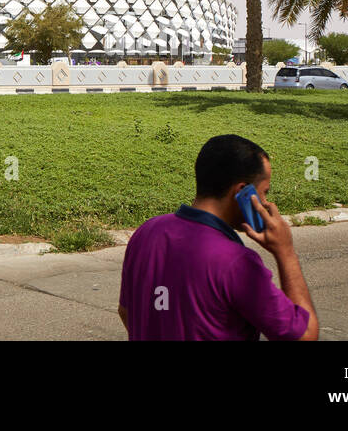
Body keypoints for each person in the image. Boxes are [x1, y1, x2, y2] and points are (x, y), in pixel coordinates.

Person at [118, 133, 318, 340]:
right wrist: (285, 252)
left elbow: (126, 312)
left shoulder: (147, 233)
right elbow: (304, 336)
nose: (266, 203)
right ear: (243, 192)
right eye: (263, 192)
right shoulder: (237, 263)